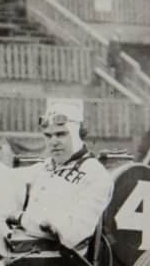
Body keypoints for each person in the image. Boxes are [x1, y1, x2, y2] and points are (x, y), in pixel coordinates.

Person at [7, 103, 114, 252]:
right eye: (48, 136)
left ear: (77, 134)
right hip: (29, 250)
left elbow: (71, 231)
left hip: (64, 262)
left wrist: (20, 218)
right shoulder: (45, 167)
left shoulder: (95, 174)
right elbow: (4, 179)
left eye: (61, 134)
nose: (53, 141)